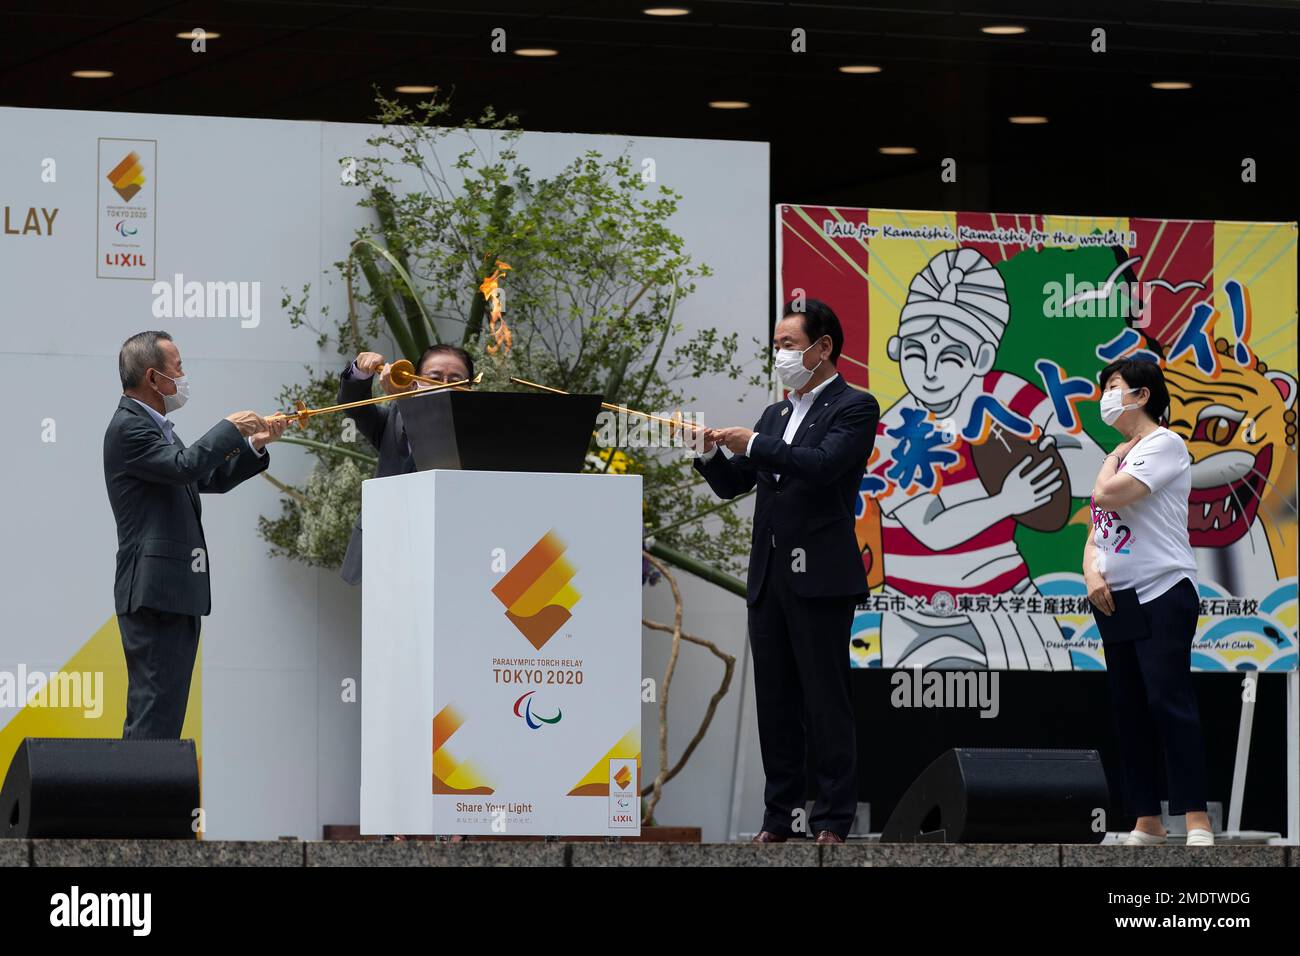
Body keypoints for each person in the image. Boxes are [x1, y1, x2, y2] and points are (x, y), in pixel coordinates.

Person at [696, 299, 879, 844]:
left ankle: (831, 821)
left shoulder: (855, 406)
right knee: (775, 703)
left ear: (823, 348)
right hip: (769, 576)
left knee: (825, 699)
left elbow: (822, 466)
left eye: (790, 345)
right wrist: (706, 454)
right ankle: (778, 819)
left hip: (821, 576)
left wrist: (751, 444)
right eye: (776, 346)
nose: (780, 355)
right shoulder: (776, 413)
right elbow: (738, 483)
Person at [104, 331, 286, 739]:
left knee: (165, 715)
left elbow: (202, 477)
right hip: (154, 594)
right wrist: (229, 427)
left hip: (174, 592)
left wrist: (253, 444)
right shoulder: (129, 428)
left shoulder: (159, 430)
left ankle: (148, 797)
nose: (184, 376)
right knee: (153, 715)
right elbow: (186, 465)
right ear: (153, 378)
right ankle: (138, 801)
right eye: (178, 367)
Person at [1083, 358, 1212, 846]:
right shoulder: (1120, 451)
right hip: (1117, 598)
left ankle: (1196, 818)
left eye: (1114, 387)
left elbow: (1109, 495)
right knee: (1129, 707)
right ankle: (1147, 821)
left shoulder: (1164, 444)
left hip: (1163, 590)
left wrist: (1109, 461)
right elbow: (1097, 529)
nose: (1106, 397)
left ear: (1141, 395)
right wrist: (1092, 572)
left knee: (1167, 700)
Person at [337, 344, 474, 585]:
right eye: (434, 377)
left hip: (447, 554)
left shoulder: (476, 429)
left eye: (455, 379)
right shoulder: (393, 416)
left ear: (470, 386)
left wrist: (404, 400)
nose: (444, 383)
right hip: (384, 550)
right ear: (413, 382)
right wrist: (360, 372)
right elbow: (354, 406)